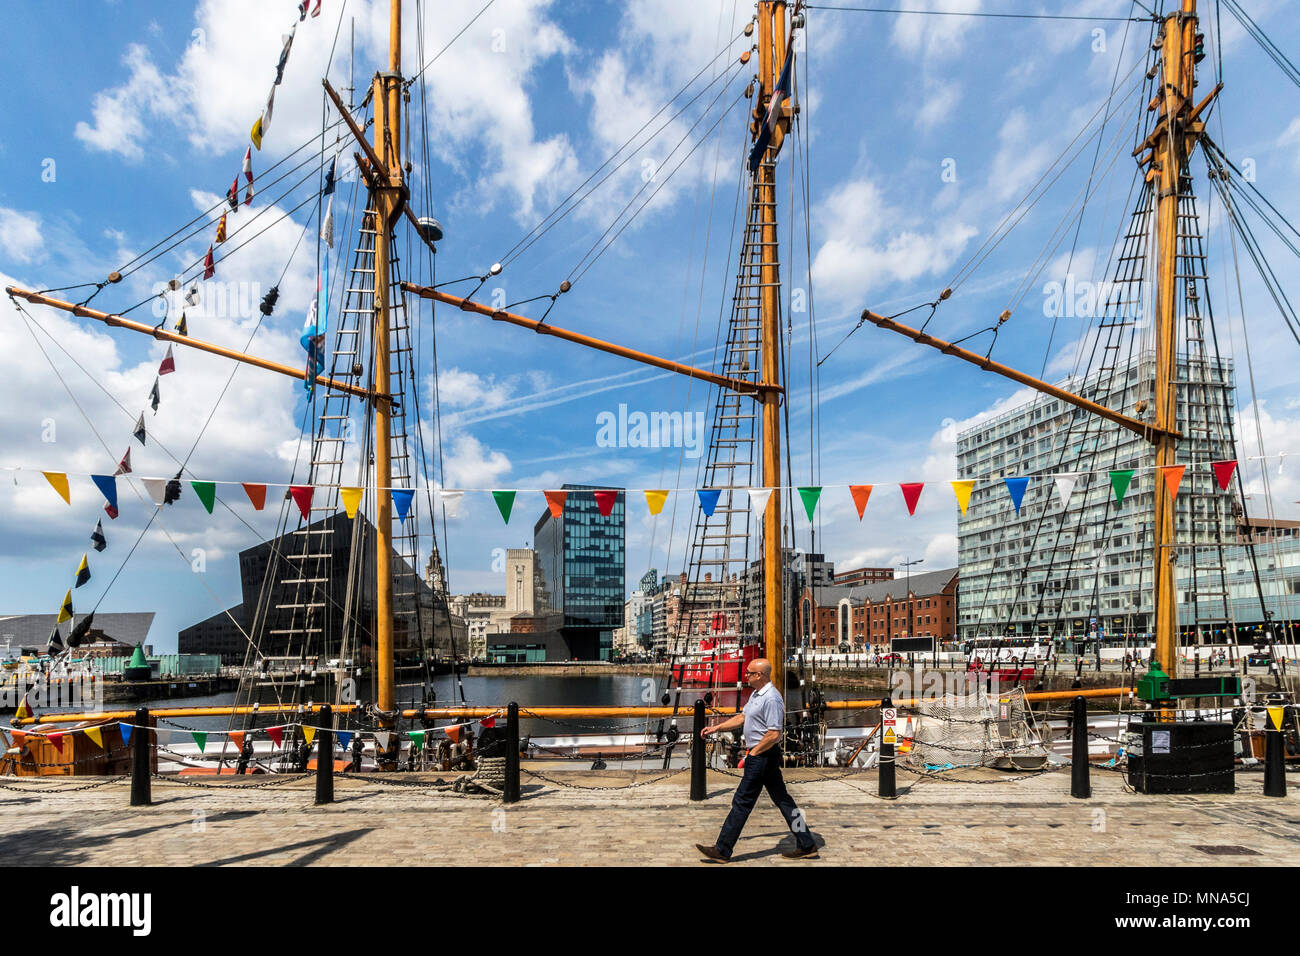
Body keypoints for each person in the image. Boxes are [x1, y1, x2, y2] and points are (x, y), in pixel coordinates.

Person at [694, 658, 819, 862]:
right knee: (783, 800)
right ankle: (807, 844)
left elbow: (774, 733)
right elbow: (743, 717)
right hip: (762, 756)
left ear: (760, 675)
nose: (746, 675)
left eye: (750, 673)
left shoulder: (771, 698)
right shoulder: (756, 694)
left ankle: (723, 850)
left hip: (762, 756)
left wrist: (753, 754)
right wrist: (716, 727)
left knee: (742, 801)